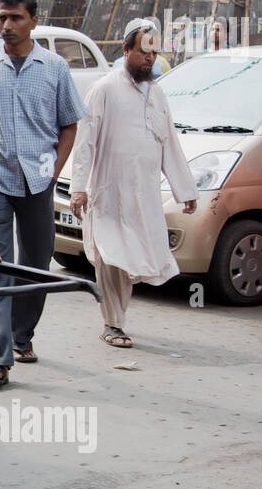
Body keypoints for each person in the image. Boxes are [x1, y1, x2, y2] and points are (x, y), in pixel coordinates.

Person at [0, 0, 85, 388]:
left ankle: (22, 337)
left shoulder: (54, 67)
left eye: (15, 18)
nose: (7, 25)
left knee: (37, 265)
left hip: (39, 180)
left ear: (33, 21)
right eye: (1, 17)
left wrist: (55, 169)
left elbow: (70, 122)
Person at [70, 20, 198, 348]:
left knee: (130, 260)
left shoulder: (156, 94)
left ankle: (117, 319)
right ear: (126, 50)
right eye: (143, 52)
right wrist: (79, 187)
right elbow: (86, 140)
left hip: (143, 196)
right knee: (110, 257)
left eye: (154, 53)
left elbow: (169, 142)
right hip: (108, 193)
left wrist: (185, 190)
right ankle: (112, 323)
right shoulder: (104, 89)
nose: (149, 59)